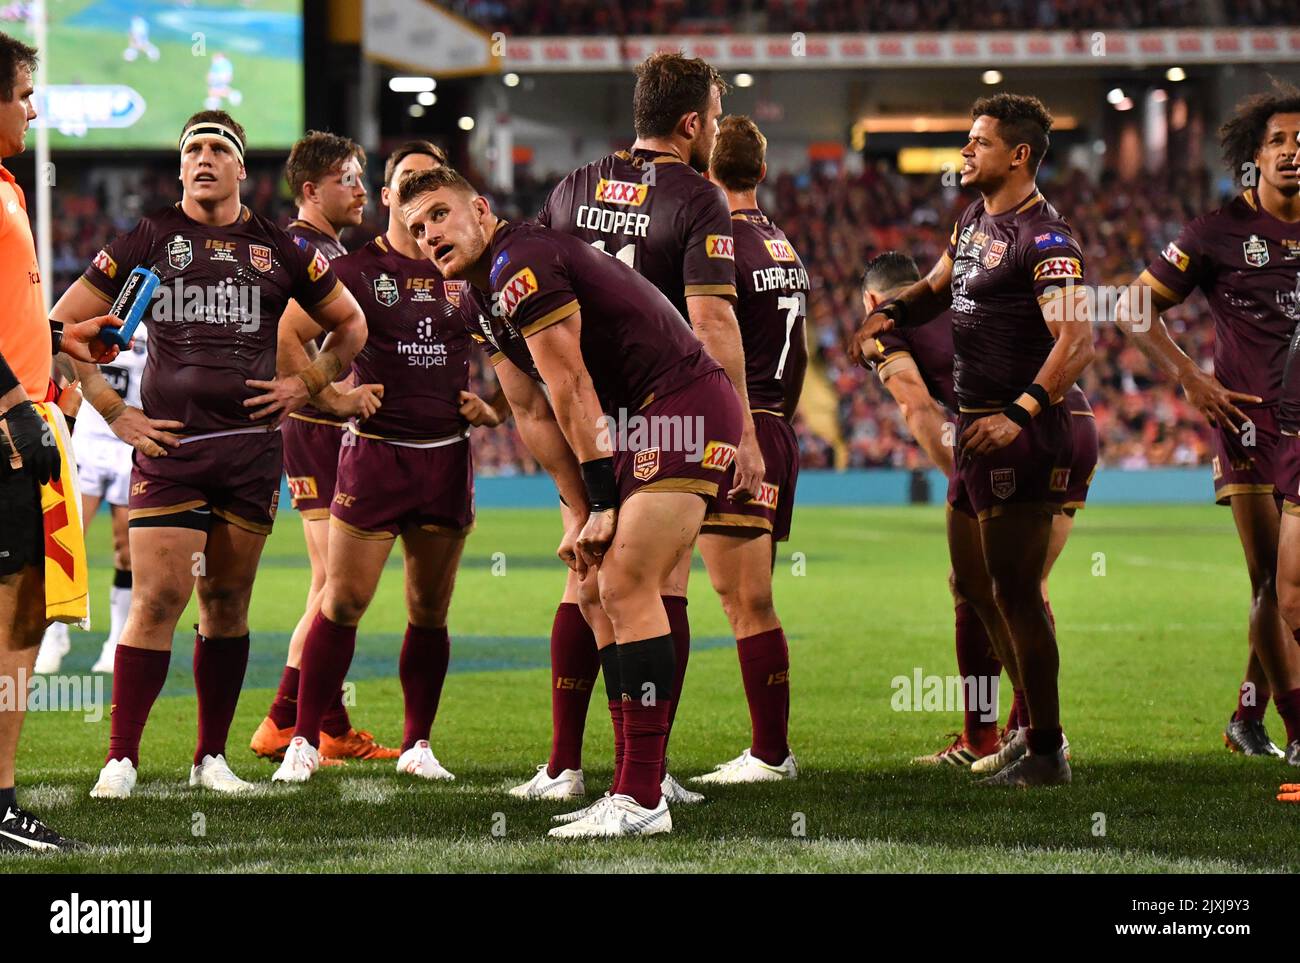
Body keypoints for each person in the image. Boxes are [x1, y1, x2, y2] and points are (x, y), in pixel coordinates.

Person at [401, 166, 743, 836]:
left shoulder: (520, 260)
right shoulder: (473, 298)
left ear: (478, 208)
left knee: (625, 579)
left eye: (440, 215)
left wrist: (604, 500)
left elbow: (570, 382)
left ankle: (644, 797)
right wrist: (583, 507)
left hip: (681, 408)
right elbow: (529, 407)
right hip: (640, 419)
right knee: (593, 592)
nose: (429, 235)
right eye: (416, 228)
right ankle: (632, 782)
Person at [53, 109, 367, 799]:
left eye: (217, 148)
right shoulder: (149, 236)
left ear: (240, 169)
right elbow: (63, 324)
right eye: (191, 147)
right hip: (171, 447)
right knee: (160, 595)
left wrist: (306, 383)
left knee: (226, 602)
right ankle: (121, 758)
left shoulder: (279, 247)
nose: (203, 157)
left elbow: (351, 323)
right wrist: (111, 410)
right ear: (180, 168)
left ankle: (210, 757)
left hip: (251, 453)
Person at [532, 51, 761, 804]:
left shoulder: (572, 187)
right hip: (669, 406)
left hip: (589, 407)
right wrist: (744, 430)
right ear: (691, 122)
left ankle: (567, 764)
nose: (716, 129)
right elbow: (713, 319)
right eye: (716, 116)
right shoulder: (699, 196)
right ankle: (645, 772)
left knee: (585, 578)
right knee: (659, 582)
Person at [853, 93, 1096, 787]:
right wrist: (887, 315)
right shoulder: (971, 221)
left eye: (978, 142)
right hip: (978, 435)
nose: (964, 151)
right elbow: (933, 286)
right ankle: (1018, 731)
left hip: (1022, 431)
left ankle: (1045, 748)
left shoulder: (1046, 240)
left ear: (1018, 156)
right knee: (973, 584)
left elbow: (1077, 341)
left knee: (1017, 590)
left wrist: (1019, 412)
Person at [274, 145, 502, 783]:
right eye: (406, 182)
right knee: (342, 603)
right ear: (391, 196)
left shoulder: (469, 270)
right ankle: (303, 740)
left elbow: (526, 340)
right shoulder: (353, 268)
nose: (417, 197)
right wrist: (333, 394)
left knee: (429, 611)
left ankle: (418, 745)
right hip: (374, 459)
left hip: (445, 460)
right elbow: (289, 335)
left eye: (431, 185)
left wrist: (500, 407)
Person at [1117, 85, 1300, 764]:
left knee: (1292, 589)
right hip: (1249, 426)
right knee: (1269, 584)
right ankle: (1294, 727)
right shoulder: (1217, 231)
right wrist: (1192, 378)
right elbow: (1134, 307)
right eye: (1278, 141)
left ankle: (1247, 717)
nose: (1291, 152)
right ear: (1254, 157)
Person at [0, 32, 128, 850]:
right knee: (12, 622)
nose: (32, 108)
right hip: (8, 430)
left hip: (26, 413)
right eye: (20, 95)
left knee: (19, 619)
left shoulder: (7, 183)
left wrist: (60, 341)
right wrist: (12, 399)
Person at [250, 130, 394, 764]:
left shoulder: (314, 246)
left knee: (328, 584)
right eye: (347, 178)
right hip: (316, 431)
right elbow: (286, 337)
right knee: (336, 584)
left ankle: (311, 719)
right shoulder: (310, 251)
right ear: (310, 190)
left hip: (308, 431)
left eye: (362, 177)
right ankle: (294, 720)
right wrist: (331, 401)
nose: (360, 188)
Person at [691, 116, 804, 784]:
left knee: (745, 601)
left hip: (740, 429)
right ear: (760, 173)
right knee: (747, 599)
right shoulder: (780, 241)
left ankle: (769, 752)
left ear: (707, 171)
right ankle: (768, 749)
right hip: (775, 424)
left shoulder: (718, 241)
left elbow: (709, 330)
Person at [35, 323, 150, 676]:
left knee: (127, 550)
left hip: (130, 438)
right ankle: (53, 636)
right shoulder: (99, 311)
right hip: (89, 435)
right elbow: (59, 345)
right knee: (65, 539)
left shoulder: (160, 319)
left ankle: (116, 638)